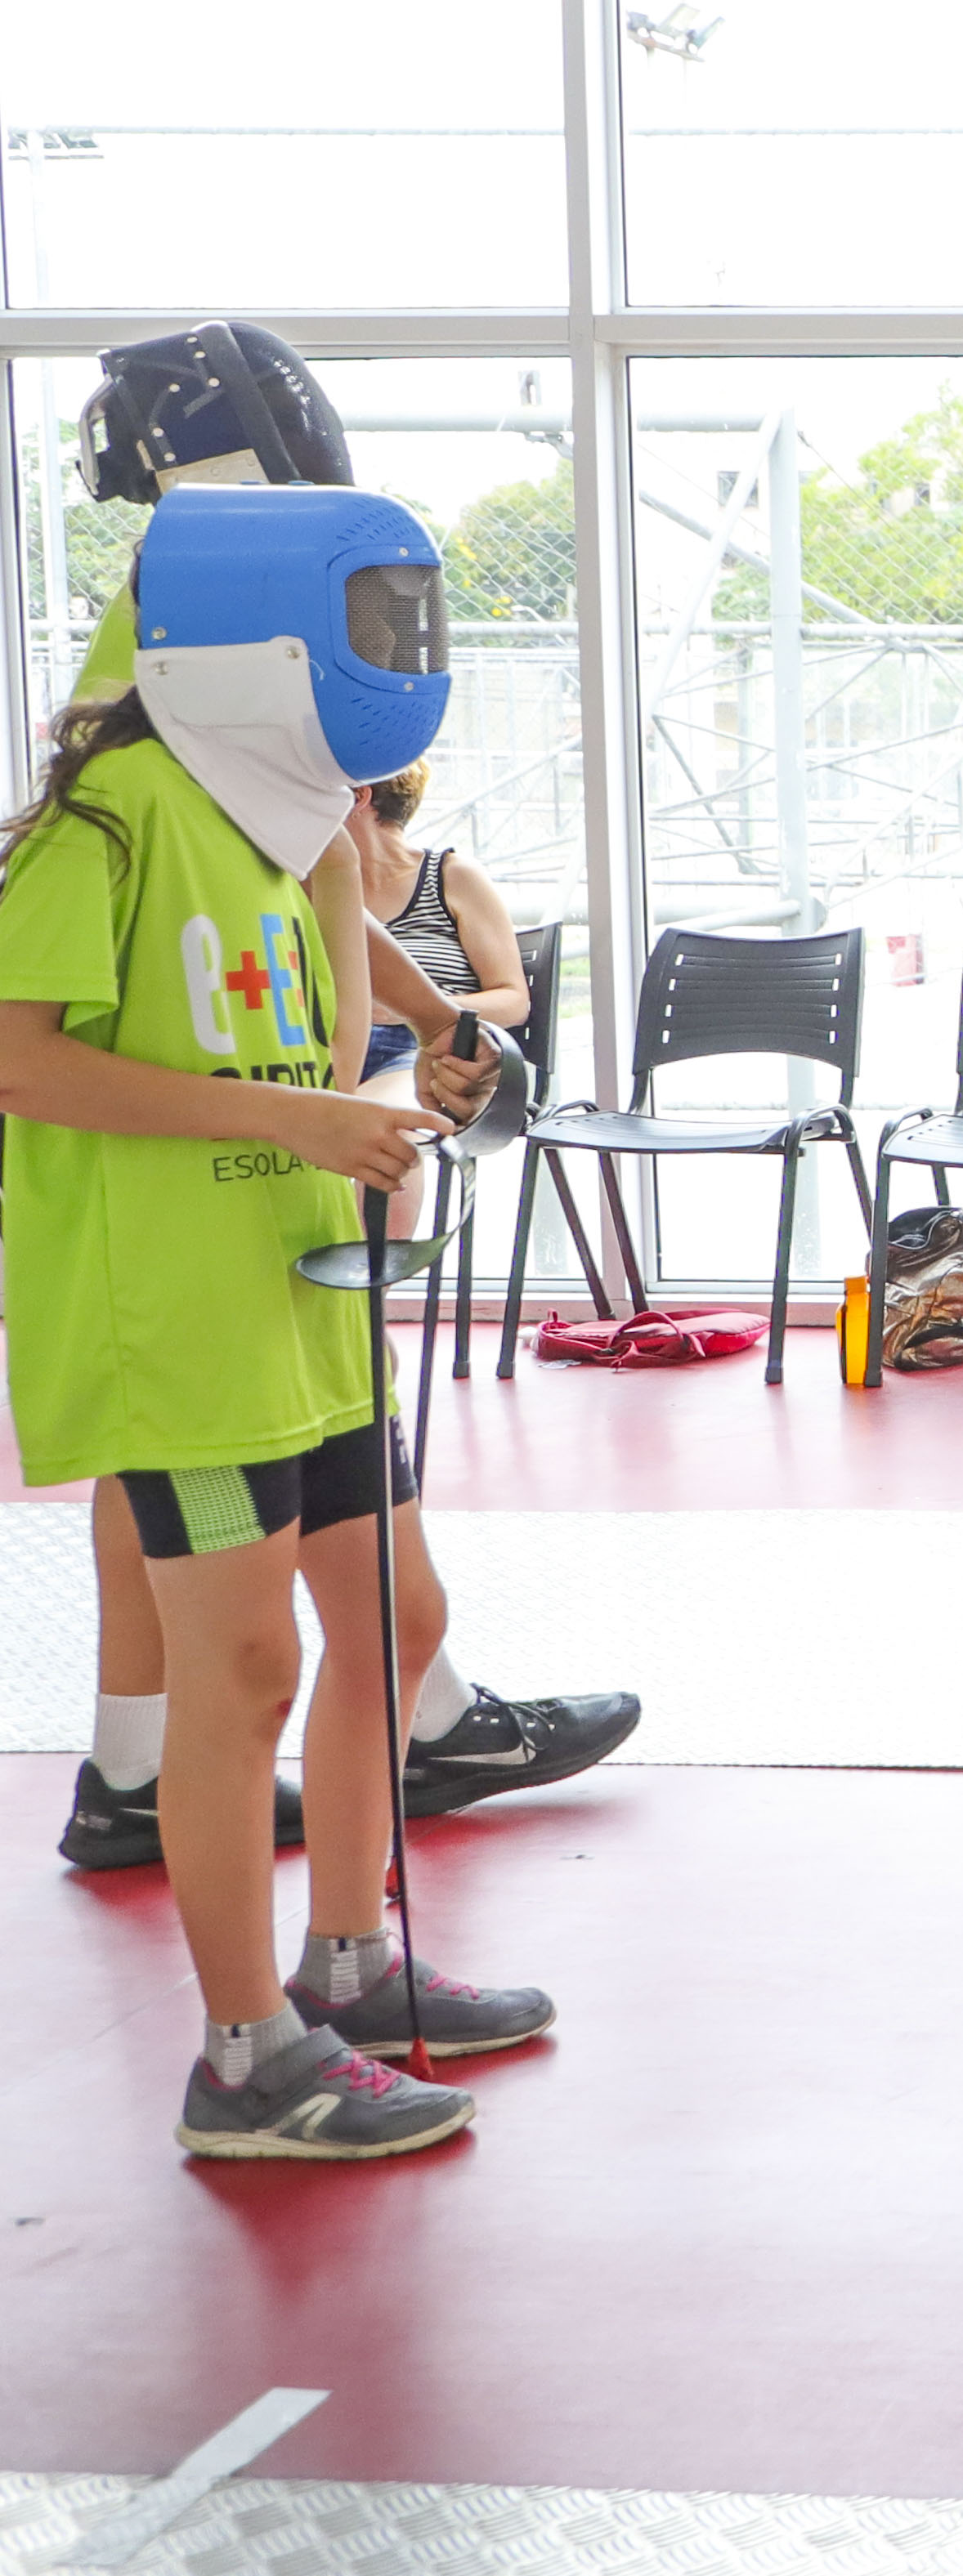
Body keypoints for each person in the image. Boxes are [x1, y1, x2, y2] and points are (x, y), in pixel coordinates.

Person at [2, 483, 549, 2158]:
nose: (388, 658)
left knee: (390, 1617)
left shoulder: (281, 818)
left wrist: (434, 1039)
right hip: (177, 1326)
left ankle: (353, 1965)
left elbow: (320, 1022)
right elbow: (21, 1054)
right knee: (242, 1665)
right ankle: (246, 2054)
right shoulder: (102, 825)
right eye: (362, 623)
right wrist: (314, 1122)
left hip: (304, 1306)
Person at [53, 324, 637, 1876]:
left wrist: (435, 1013)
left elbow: (309, 851)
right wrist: (313, 1097)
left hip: (288, 1140)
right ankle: (352, 1733)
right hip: (216, 1154)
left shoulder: (236, 596)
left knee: (237, 1492)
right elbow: (246, 866)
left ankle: (168, 1757)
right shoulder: (185, 631)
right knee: (188, 1481)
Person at [343, 763, 528, 1091]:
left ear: (359, 798)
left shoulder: (453, 877)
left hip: (424, 1050)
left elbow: (514, 1002)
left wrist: (416, 1007)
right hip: (332, 1047)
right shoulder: (317, 889)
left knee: (371, 1119)